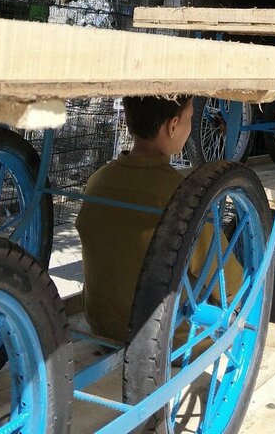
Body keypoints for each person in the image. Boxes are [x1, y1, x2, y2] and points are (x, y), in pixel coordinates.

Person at [76, 95, 241, 344]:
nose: (190, 127)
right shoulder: (181, 193)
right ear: (173, 126)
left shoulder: (97, 181)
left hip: (102, 326)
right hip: (164, 339)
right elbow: (223, 273)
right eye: (190, 119)